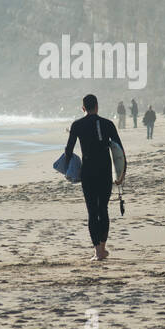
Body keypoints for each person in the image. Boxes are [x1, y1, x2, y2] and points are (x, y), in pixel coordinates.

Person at [62, 94, 124, 261]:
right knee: (103, 209)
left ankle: (97, 252)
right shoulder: (108, 124)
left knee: (92, 211)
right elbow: (119, 150)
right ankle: (103, 248)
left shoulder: (77, 125)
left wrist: (70, 168)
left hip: (87, 172)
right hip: (105, 172)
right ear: (97, 106)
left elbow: (68, 150)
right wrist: (120, 174)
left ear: (83, 108)